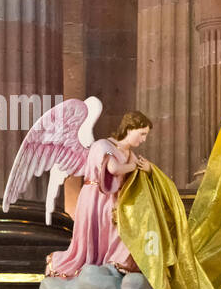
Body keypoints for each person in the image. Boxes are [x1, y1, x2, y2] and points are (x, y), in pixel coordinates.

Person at [46, 111, 154, 278]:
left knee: (121, 231)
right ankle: (97, 270)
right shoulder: (105, 146)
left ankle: (114, 265)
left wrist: (148, 169)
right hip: (96, 197)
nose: (144, 139)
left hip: (115, 200)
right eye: (142, 134)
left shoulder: (129, 154)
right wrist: (136, 167)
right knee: (98, 238)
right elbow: (114, 168)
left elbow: (136, 175)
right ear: (130, 128)